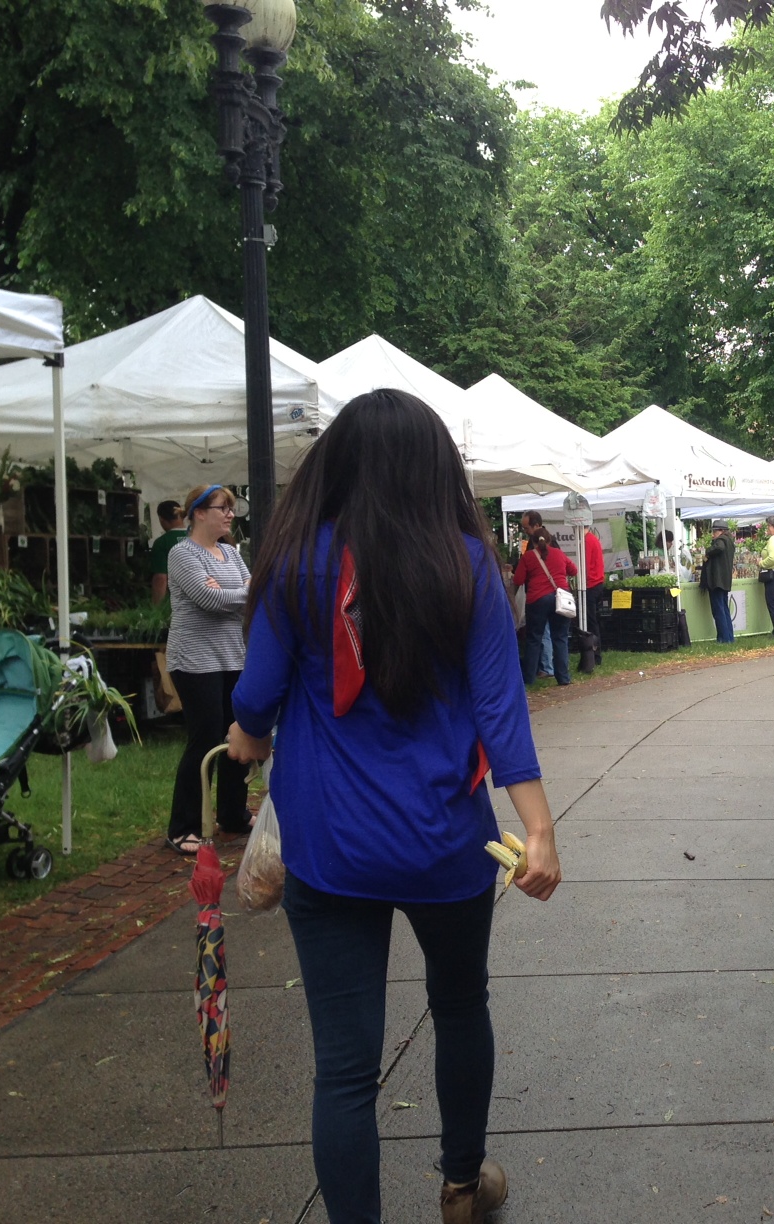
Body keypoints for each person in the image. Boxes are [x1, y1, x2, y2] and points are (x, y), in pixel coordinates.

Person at [226, 388, 561, 1224]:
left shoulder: (296, 558)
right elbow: (499, 705)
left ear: (335, 463)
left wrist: (244, 736)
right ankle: (459, 1185)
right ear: (432, 468)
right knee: (459, 1006)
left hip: (328, 847)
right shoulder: (465, 563)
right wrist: (540, 827)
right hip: (444, 841)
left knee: (343, 1067)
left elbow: (258, 698)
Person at [165, 484, 252, 853]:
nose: (230, 514)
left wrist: (230, 594)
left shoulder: (231, 553)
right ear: (199, 512)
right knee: (204, 740)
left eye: (231, 508)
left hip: (234, 657)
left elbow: (252, 591)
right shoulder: (182, 553)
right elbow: (208, 599)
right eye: (223, 508)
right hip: (195, 662)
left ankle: (233, 813)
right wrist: (235, 595)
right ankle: (182, 826)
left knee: (236, 735)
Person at [512, 525, 578, 687]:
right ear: (549, 540)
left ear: (533, 542)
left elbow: (518, 580)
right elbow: (574, 570)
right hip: (560, 597)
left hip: (537, 600)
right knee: (560, 638)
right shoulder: (559, 554)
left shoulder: (528, 557)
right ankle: (563, 678)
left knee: (534, 638)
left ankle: (529, 677)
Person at [513, 513, 555, 679]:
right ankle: (550, 667)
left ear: (536, 525)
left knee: (539, 634)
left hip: (537, 596)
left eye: (527, 527)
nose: (525, 531)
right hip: (552, 595)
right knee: (552, 634)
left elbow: (519, 577)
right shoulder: (554, 549)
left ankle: (542, 668)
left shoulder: (533, 550)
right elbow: (571, 569)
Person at [700, 524, 736, 642]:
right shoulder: (729, 541)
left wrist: (708, 551)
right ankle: (729, 637)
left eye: (714, 532)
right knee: (724, 609)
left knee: (718, 610)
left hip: (716, 580)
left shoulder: (721, 540)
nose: (713, 534)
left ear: (721, 531)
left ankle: (723, 638)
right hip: (724, 580)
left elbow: (719, 548)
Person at [148, 499, 187, 604]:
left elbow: (160, 578)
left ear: (161, 519)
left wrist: (156, 609)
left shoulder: (162, 542)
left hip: (177, 604)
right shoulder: (198, 537)